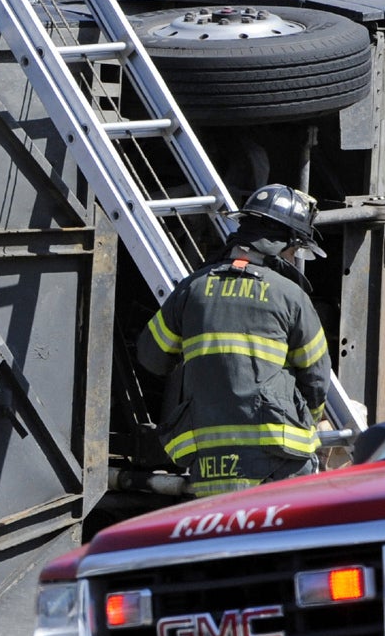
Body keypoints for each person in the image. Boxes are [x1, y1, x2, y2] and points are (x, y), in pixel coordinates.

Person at [136, 184, 331, 497]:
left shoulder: (192, 290)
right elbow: (317, 378)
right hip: (277, 464)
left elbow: (151, 357)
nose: (294, 260)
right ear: (282, 245)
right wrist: (311, 418)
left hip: (210, 464)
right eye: (295, 251)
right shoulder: (290, 296)